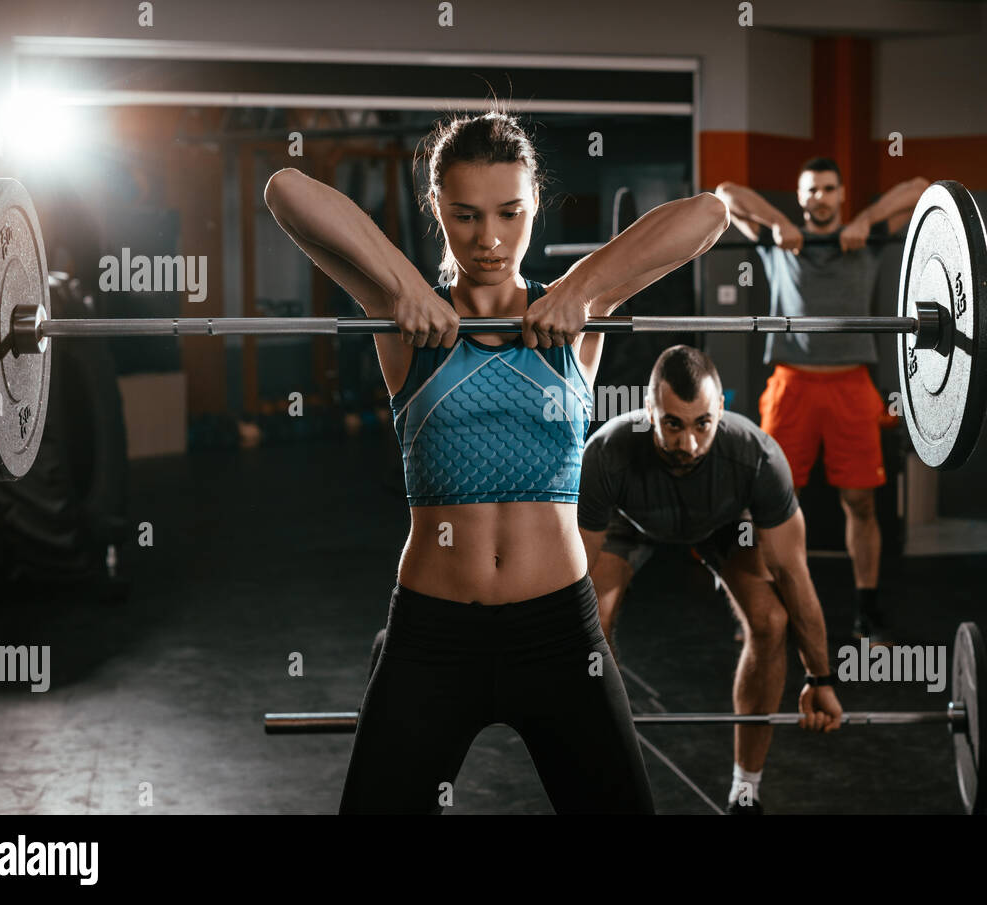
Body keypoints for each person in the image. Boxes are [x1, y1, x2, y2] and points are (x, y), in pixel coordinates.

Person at [264, 110, 729, 813]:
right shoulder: (401, 318)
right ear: (438, 211)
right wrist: (406, 284)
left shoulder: (577, 316)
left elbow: (710, 214)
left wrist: (581, 284)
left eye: (510, 212)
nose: (490, 238)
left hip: (560, 637)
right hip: (432, 637)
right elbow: (284, 191)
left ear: (535, 204)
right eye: (466, 215)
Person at [579, 345, 843, 815]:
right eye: (673, 425)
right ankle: (607, 770)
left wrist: (819, 676)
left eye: (703, 423)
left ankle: (746, 789)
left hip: (724, 524)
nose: (689, 444)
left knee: (769, 621)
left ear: (721, 408)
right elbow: (573, 576)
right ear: (649, 412)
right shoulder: (606, 454)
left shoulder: (757, 457)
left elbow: (793, 575)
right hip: (630, 523)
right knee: (591, 624)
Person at [715, 161, 927, 644]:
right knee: (769, 501)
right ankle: (768, 607)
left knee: (861, 503)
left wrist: (868, 219)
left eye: (829, 189)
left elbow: (920, 187)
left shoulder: (868, 239)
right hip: (793, 387)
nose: (821, 198)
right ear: (800, 194)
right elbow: (726, 193)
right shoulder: (777, 244)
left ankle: (866, 611)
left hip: (852, 386)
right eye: (811, 190)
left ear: (841, 193)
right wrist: (778, 223)